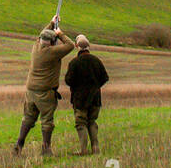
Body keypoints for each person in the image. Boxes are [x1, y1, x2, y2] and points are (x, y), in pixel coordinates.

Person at [13, 18, 75, 157]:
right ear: (52, 42)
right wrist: (60, 33)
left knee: (28, 118)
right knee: (47, 121)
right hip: (45, 93)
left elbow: (42, 34)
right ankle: (46, 149)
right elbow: (71, 45)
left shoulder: (36, 46)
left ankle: (19, 145)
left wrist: (52, 23)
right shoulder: (51, 52)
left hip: (31, 91)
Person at [64, 34, 109, 155]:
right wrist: (95, 86)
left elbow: (68, 81)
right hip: (95, 98)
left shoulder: (74, 63)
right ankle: (95, 148)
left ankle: (83, 150)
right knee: (92, 122)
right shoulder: (96, 61)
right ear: (88, 46)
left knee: (81, 123)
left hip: (80, 100)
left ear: (76, 46)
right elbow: (105, 78)